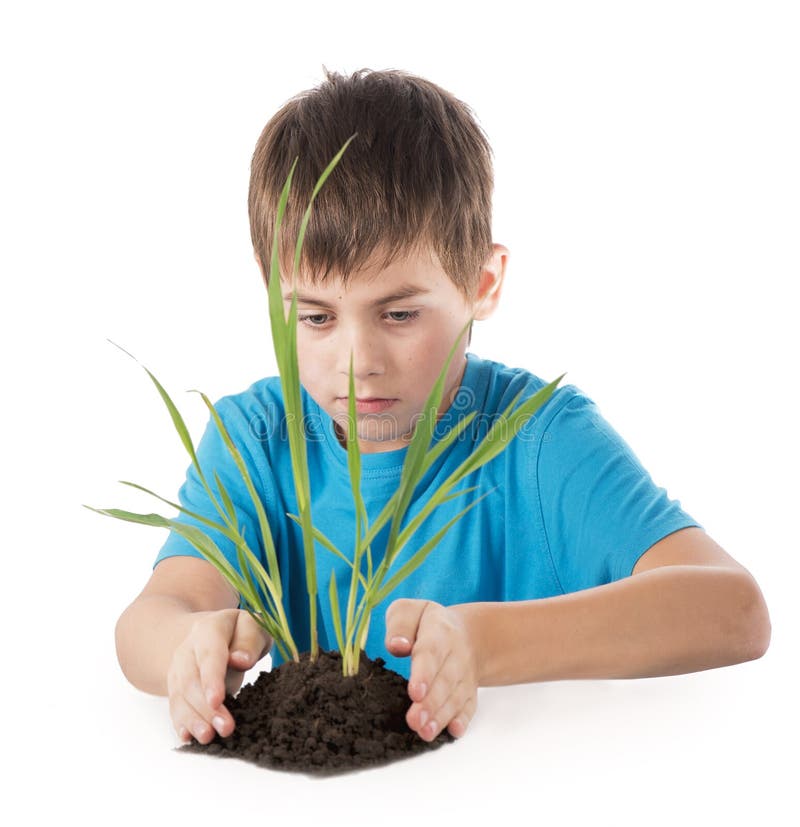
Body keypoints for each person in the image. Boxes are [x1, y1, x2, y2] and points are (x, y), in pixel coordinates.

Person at [115, 67, 771, 748]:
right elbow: (152, 617)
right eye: (313, 316)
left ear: (483, 283)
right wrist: (185, 646)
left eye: (398, 313)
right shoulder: (256, 438)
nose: (356, 358)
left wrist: (483, 642)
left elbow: (734, 608)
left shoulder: (535, 440)